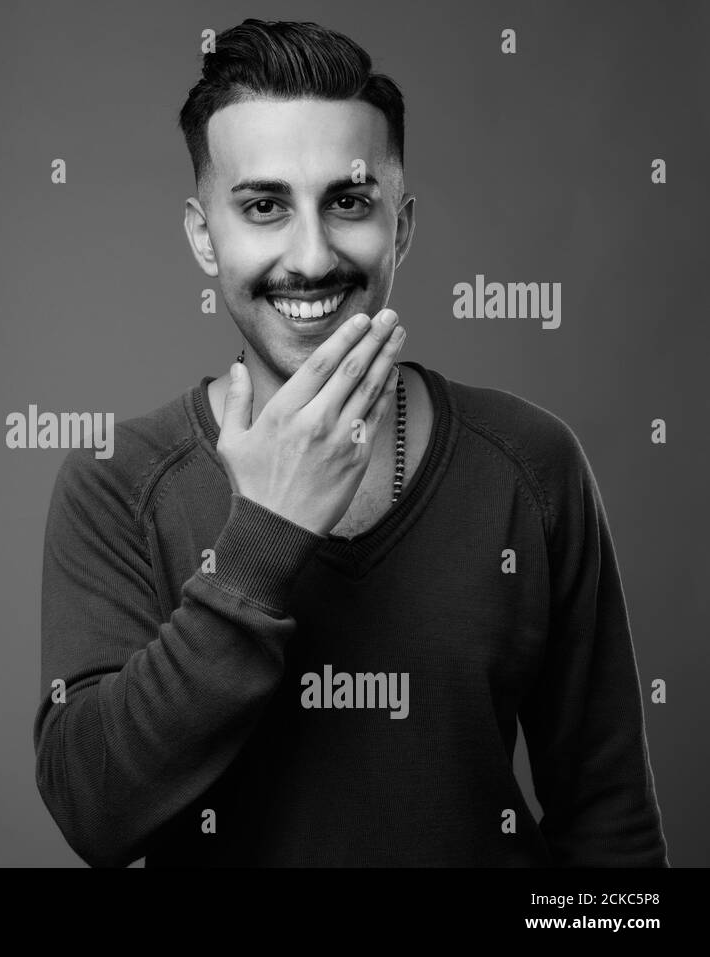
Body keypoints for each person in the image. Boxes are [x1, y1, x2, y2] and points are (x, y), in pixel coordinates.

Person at [32, 19, 668, 867]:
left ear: (399, 228)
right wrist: (263, 536)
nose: (311, 255)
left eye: (349, 202)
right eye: (263, 206)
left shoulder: (531, 461)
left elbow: (611, 827)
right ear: (202, 237)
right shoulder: (117, 484)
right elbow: (94, 809)